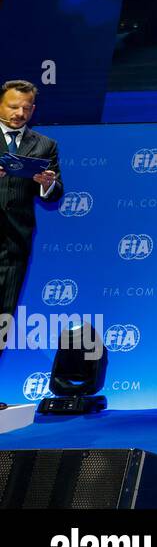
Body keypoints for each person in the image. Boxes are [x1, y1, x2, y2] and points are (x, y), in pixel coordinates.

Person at [0, 80, 63, 353]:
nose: (19, 113)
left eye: (26, 108)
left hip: (14, 244)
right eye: (13, 106)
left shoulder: (45, 146)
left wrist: (46, 182)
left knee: (2, 317)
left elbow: (55, 194)